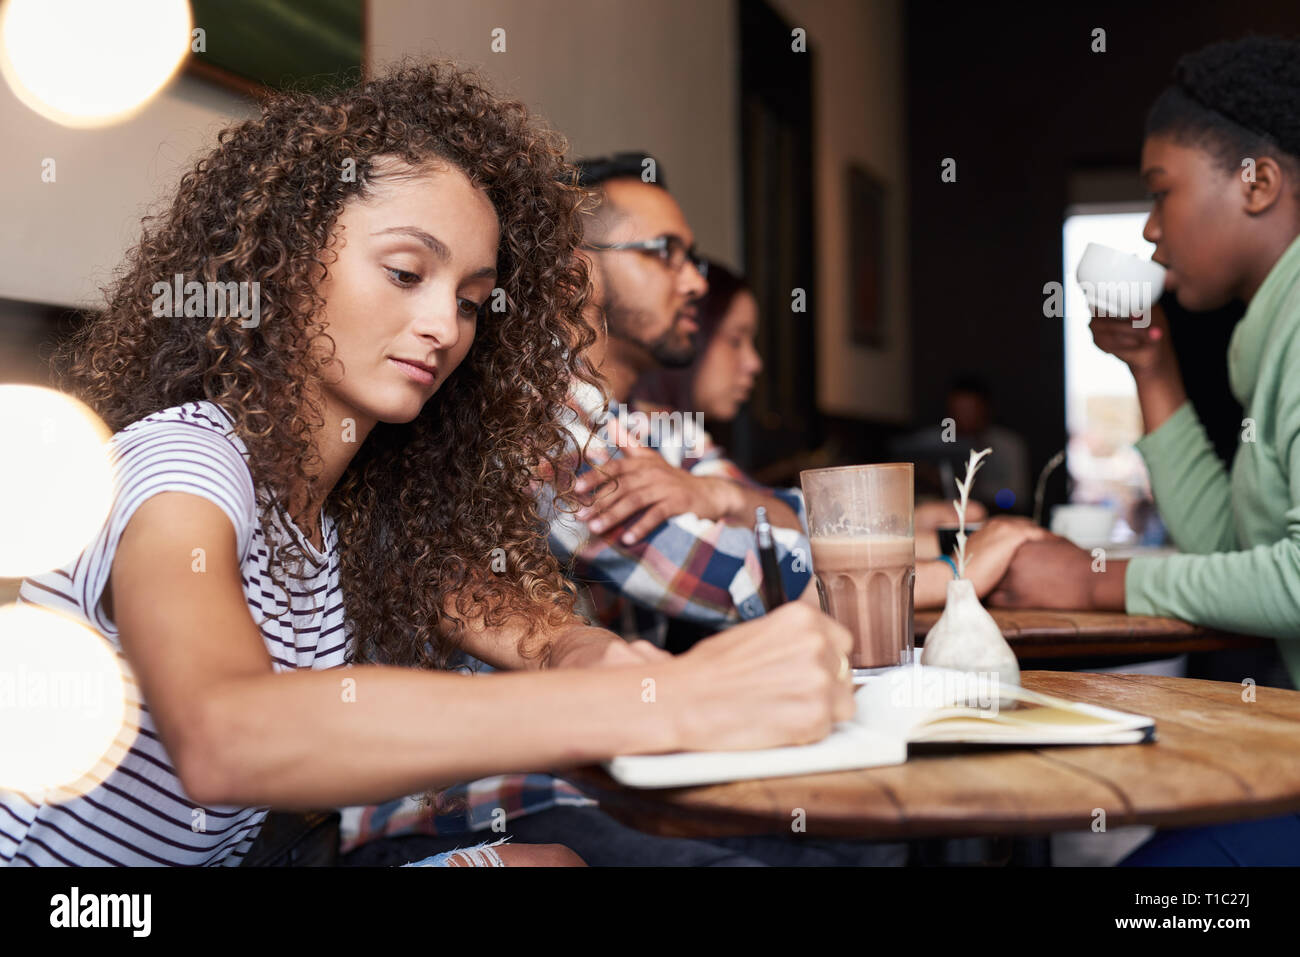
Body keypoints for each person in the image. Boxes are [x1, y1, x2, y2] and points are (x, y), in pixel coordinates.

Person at [0, 62, 857, 867]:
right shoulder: (183, 466)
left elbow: (535, 627)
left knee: (548, 862)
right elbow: (228, 736)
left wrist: (594, 656)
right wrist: (663, 702)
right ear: (286, 264)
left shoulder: (354, 503)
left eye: (472, 301)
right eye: (406, 272)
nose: (444, 326)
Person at [988, 36, 1300, 863]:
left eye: (1161, 193)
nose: (1152, 230)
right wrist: (1150, 366)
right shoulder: (1267, 337)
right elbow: (1233, 556)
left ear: (1258, 181)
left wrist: (1092, 577)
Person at [629, 260, 1049, 611]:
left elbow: (772, 513)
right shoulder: (624, 441)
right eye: (736, 340)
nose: (755, 363)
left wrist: (908, 528)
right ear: (688, 332)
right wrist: (957, 571)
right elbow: (765, 571)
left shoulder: (678, 432)